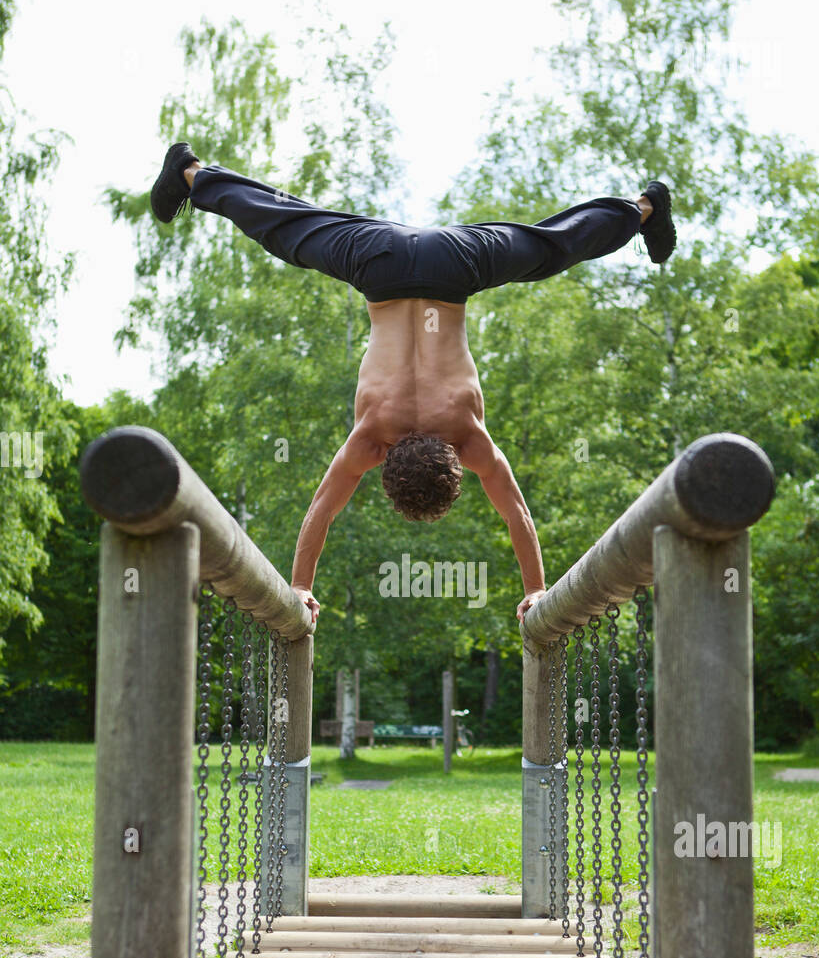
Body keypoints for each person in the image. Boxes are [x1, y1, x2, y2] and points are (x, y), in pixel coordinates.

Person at [150, 144, 676, 626]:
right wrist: (300, 585)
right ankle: (194, 175)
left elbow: (515, 510)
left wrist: (536, 590)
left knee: (550, 246)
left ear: (454, 463)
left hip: (455, 262)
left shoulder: (466, 434)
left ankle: (644, 207)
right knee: (290, 226)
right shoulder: (373, 436)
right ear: (386, 464)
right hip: (379, 260)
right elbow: (322, 510)